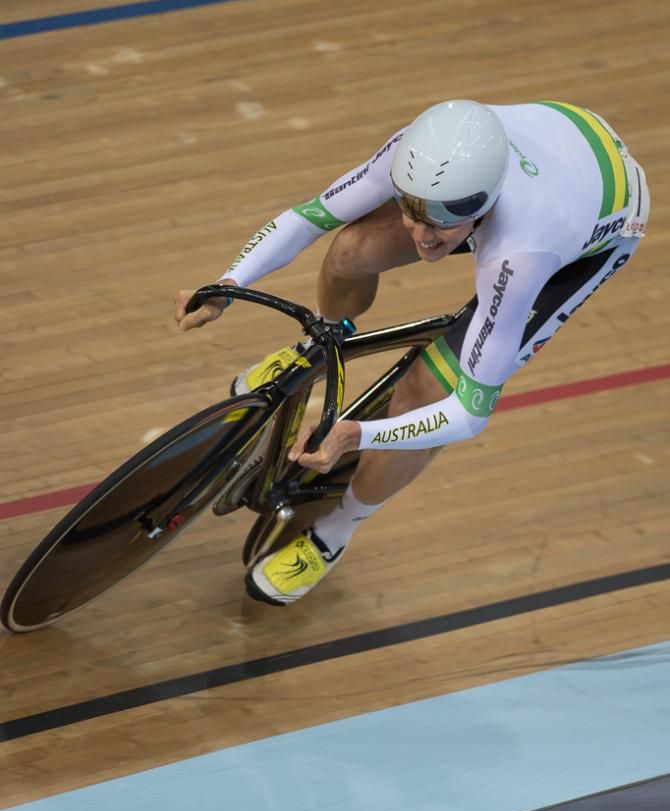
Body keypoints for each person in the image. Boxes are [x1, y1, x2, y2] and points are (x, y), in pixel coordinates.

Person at [174, 99, 650, 606]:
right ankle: (317, 345)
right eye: (412, 211)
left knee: (426, 391)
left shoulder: (522, 253)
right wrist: (230, 280)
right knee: (352, 250)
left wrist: (362, 434)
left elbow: (470, 413)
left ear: (483, 204)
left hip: (594, 228)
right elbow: (310, 216)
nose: (422, 237)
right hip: (560, 146)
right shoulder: (416, 155)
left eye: (441, 223)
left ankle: (334, 533)